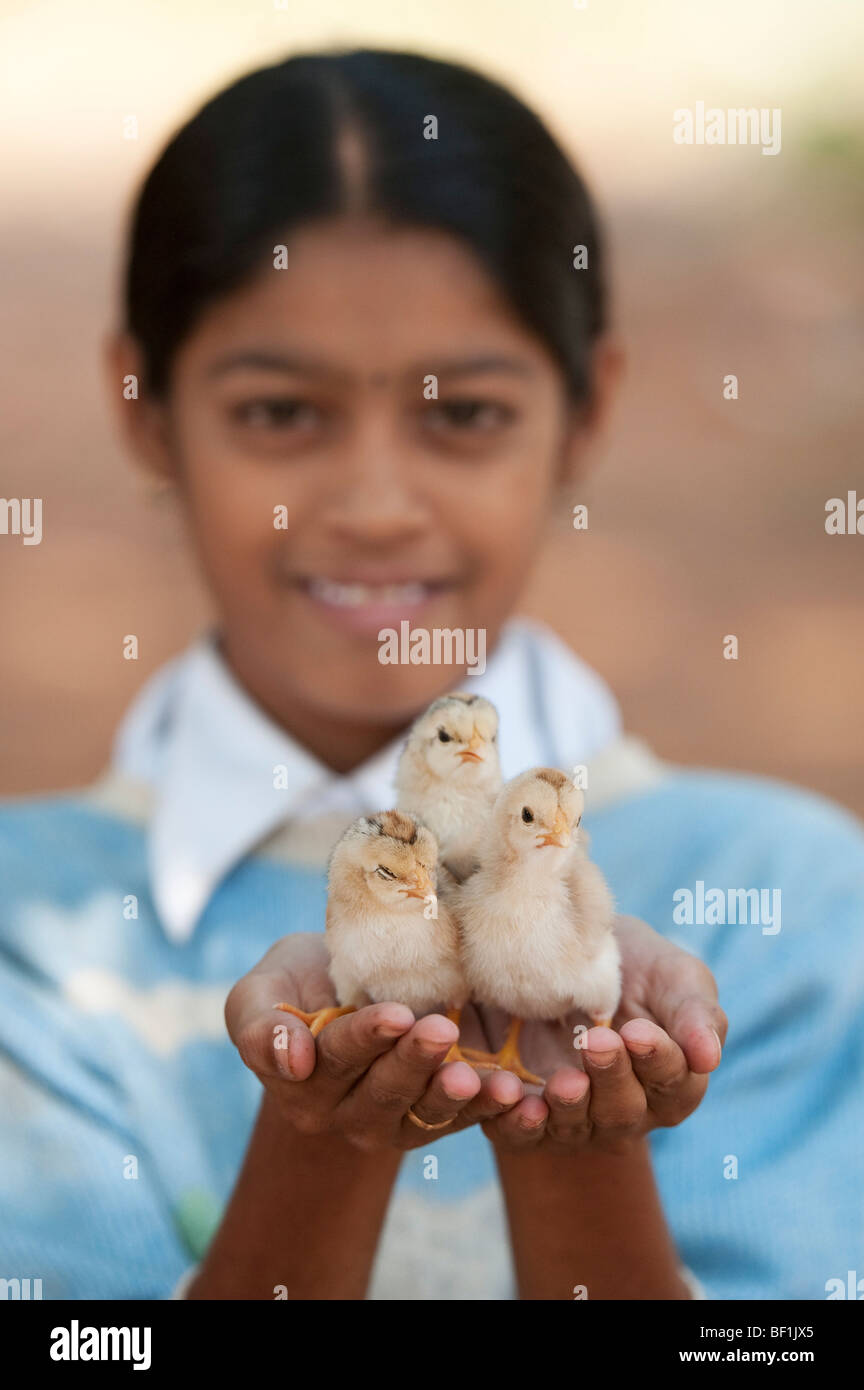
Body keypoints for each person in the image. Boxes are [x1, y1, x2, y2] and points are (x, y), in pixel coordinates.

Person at [1, 48, 861, 1302]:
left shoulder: (786, 897)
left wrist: (580, 1141)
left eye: (462, 415)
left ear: (584, 410)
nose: (375, 504)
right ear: (143, 407)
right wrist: (320, 1146)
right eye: (282, 412)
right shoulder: (31, 933)